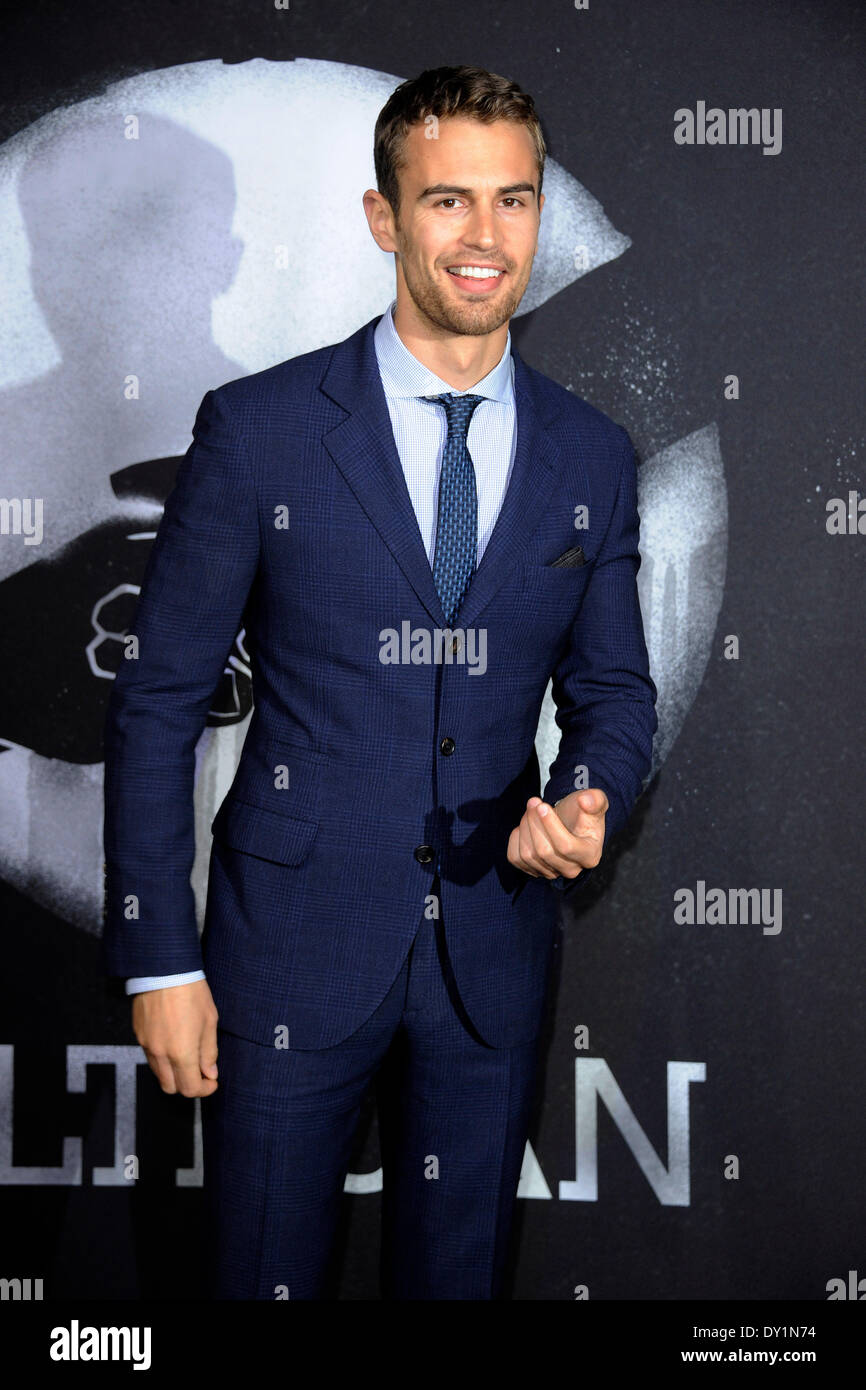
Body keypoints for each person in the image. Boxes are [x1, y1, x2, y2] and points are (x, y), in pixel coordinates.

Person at [102, 64, 658, 1300]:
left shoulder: (588, 453)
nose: (483, 237)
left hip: (492, 956)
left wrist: (587, 800)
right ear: (382, 216)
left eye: (512, 201)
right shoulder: (262, 430)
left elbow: (614, 692)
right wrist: (159, 960)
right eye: (447, 200)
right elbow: (156, 704)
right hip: (281, 955)